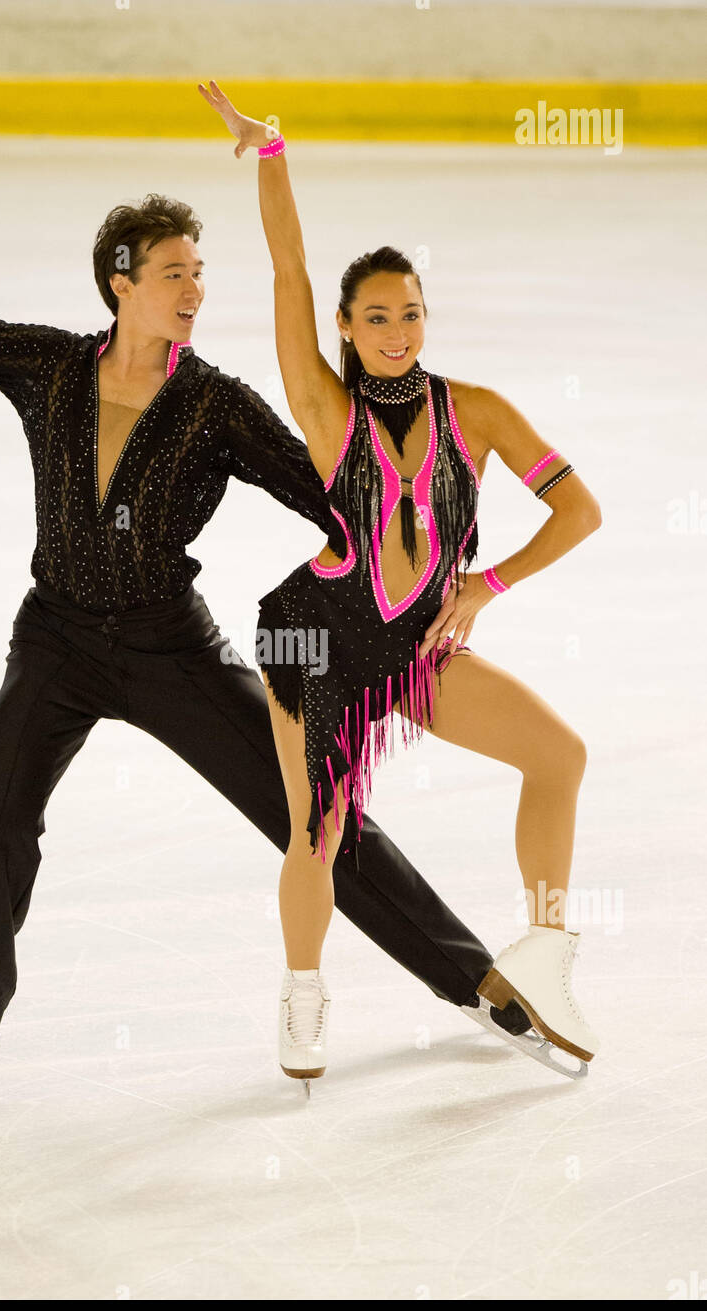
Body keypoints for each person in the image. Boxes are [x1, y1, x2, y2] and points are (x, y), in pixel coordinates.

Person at [0, 192, 538, 1092]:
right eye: (174, 274)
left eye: (200, 274)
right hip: (57, 637)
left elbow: (335, 495)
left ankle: (473, 979)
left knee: (313, 814)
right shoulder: (54, 368)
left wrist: (433, 551)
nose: (194, 290)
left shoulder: (215, 405)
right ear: (122, 283)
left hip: (171, 647)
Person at [199, 79, 603, 1089]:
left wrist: (487, 585)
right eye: (375, 316)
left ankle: (544, 952)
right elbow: (287, 267)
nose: (396, 331)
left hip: (416, 642)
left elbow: (578, 510)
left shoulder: (479, 411)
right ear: (345, 325)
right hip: (311, 635)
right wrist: (271, 150)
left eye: (410, 313)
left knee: (556, 754)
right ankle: (302, 994)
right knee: (317, 828)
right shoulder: (325, 411)